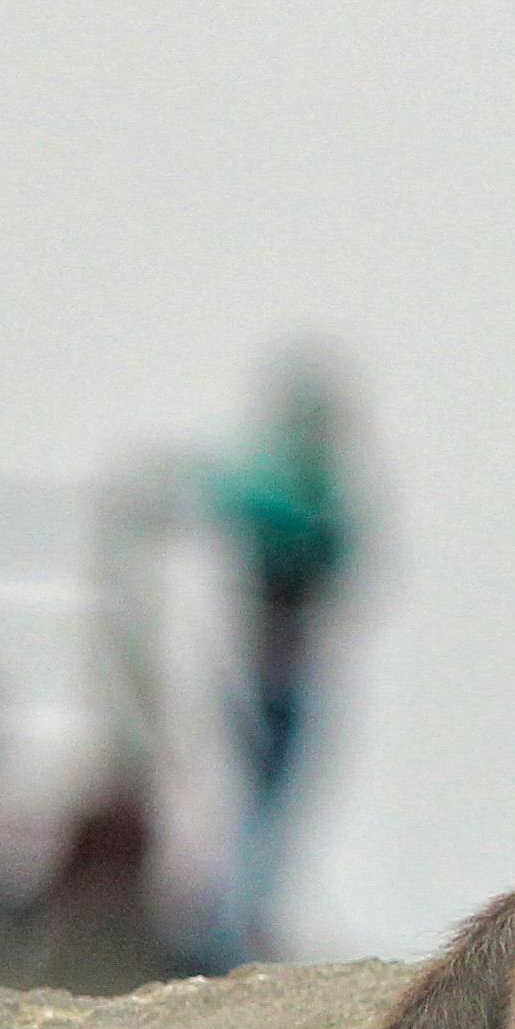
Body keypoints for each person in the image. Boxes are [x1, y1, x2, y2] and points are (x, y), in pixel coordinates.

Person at [199, 351, 364, 964]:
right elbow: (242, 499)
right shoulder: (286, 486)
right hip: (269, 664)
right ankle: (231, 928)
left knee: (274, 804)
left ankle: (244, 920)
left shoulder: (312, 488)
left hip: (290, 662)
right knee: (260, 802)